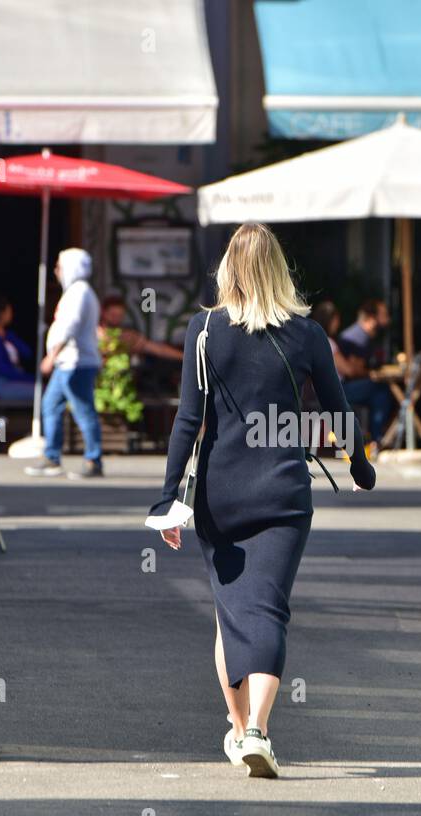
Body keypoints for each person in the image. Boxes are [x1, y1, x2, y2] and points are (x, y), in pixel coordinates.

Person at [147, 222, 376, 779]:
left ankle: (238, 727)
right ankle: (257, 730)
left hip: (219, 495)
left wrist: (166, 498)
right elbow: (338, 409)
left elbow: (188, 420)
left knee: (230, 616)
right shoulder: (306, 333)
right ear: (279, 270)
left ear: (228, 268)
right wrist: (360, 465)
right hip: (283, 494)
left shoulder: (202, 330)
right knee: (268, 608)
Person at [24, 248, 104, 479]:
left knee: (83, 410)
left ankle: (93, 460)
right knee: (51, 405)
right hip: (68, 362)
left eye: (60, 266)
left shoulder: (78, 292)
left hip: (75, 363)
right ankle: (52, 456)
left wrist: (51, 355)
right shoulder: (78, 291)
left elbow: (71, 325)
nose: (56, 271)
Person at [337, 299, 394, 449]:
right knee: (382, 390)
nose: (387, 320)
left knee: (380, 395)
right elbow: (353, 371)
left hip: (342, 387)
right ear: (371, 318)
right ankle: (377, 439)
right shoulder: (358, 337)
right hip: (342, 389)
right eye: (383, 315)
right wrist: (371, 374)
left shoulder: (359, 335)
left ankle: (376, 440)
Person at [0, 295, 35, 404]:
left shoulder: (8, 335)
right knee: (44, 391)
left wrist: (7, 336)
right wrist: (30, 379)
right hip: (4, 383)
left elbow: (27, 353)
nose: (11, 314)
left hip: (16, 380)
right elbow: (2, 369)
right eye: (9, 311)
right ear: (1, 313)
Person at [99, 294, 183, 363]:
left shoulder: (127, 336)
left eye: (120, 316)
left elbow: (159, 350)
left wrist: (184, 357)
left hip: (121, 382)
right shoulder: (94, 334)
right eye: (113, 315)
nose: (116, 319)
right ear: (103, 312)